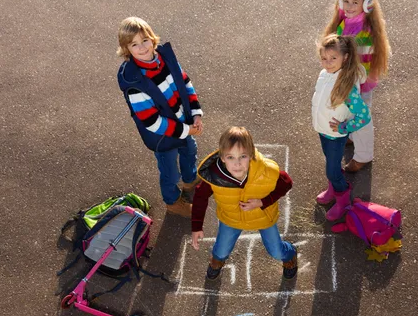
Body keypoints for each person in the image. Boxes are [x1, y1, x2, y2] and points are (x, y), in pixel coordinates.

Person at [116, 17, 203, 218]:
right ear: (127, 49)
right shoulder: (135, 83)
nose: (142, 47)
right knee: (170, 172)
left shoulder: (165, 59)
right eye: (134, 44)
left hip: (183, 123)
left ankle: (190, 180)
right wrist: (185, 130)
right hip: (163, 137)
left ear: (152, 38)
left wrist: (196, 112)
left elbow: (185, 82)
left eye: (144, 40)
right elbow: (152, 122)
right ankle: (172, 201)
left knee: (190, 150)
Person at [191, 126, 298, 280]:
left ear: (251, 155)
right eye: (230, 157)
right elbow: (200, 197)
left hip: (262, 217)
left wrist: (263, 202)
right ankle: (217, 261)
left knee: (276, 251)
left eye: (243, 156)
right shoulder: (213, 177)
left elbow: (286, 183)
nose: (237, 163)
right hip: (231, 218)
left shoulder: (267, 170)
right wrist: (196, 226)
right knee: (220, 251)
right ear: (222, 158)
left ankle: (290, 255)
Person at [323, 0, 391, 172]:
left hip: (359, 83)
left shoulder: (363, 31)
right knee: (353, 114)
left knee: (362, 119)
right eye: (346, 1)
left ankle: (363, 156)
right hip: (349, 81)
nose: (350, 6)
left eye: (355, 2)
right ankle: (351, 137)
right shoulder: (345, 22)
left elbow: (362, 64)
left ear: (366, 4)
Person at [312, 34, 371, 221]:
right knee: (331, 162)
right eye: (324, 58)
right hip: (323, 130)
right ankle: (333, 188)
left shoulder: (346, 85)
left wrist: (346, 127)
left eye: (333, 58)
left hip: (336, 136)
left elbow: (364, 115)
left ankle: (343, 199)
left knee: (332, 170)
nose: (328, 63)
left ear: (345, 58)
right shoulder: (324, 74)